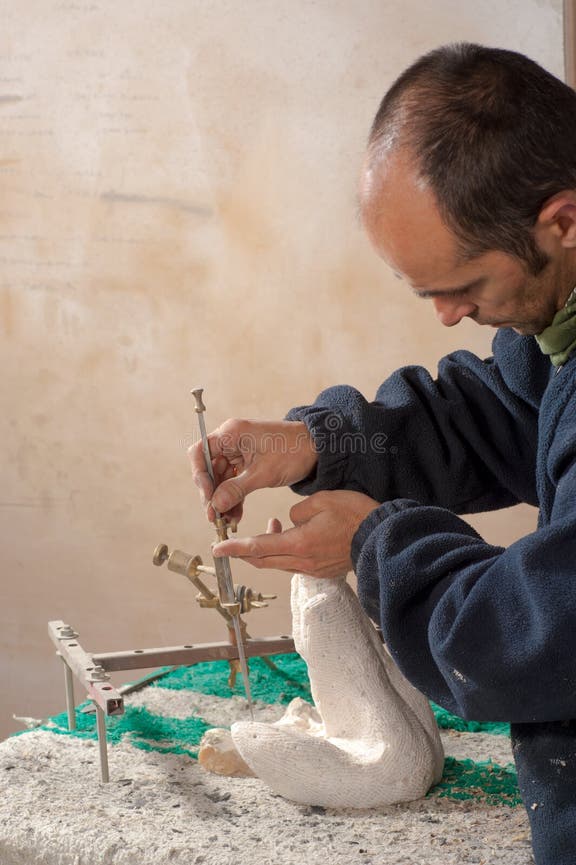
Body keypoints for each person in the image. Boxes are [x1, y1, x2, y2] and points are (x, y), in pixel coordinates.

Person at [190, 44, 576, 865]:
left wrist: (376, 545)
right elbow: (497, 412)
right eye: (423, 290)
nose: (444, 316)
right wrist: (320, 444)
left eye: (460, 284)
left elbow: (547, 629)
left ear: (563, 220)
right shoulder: (560, 320)